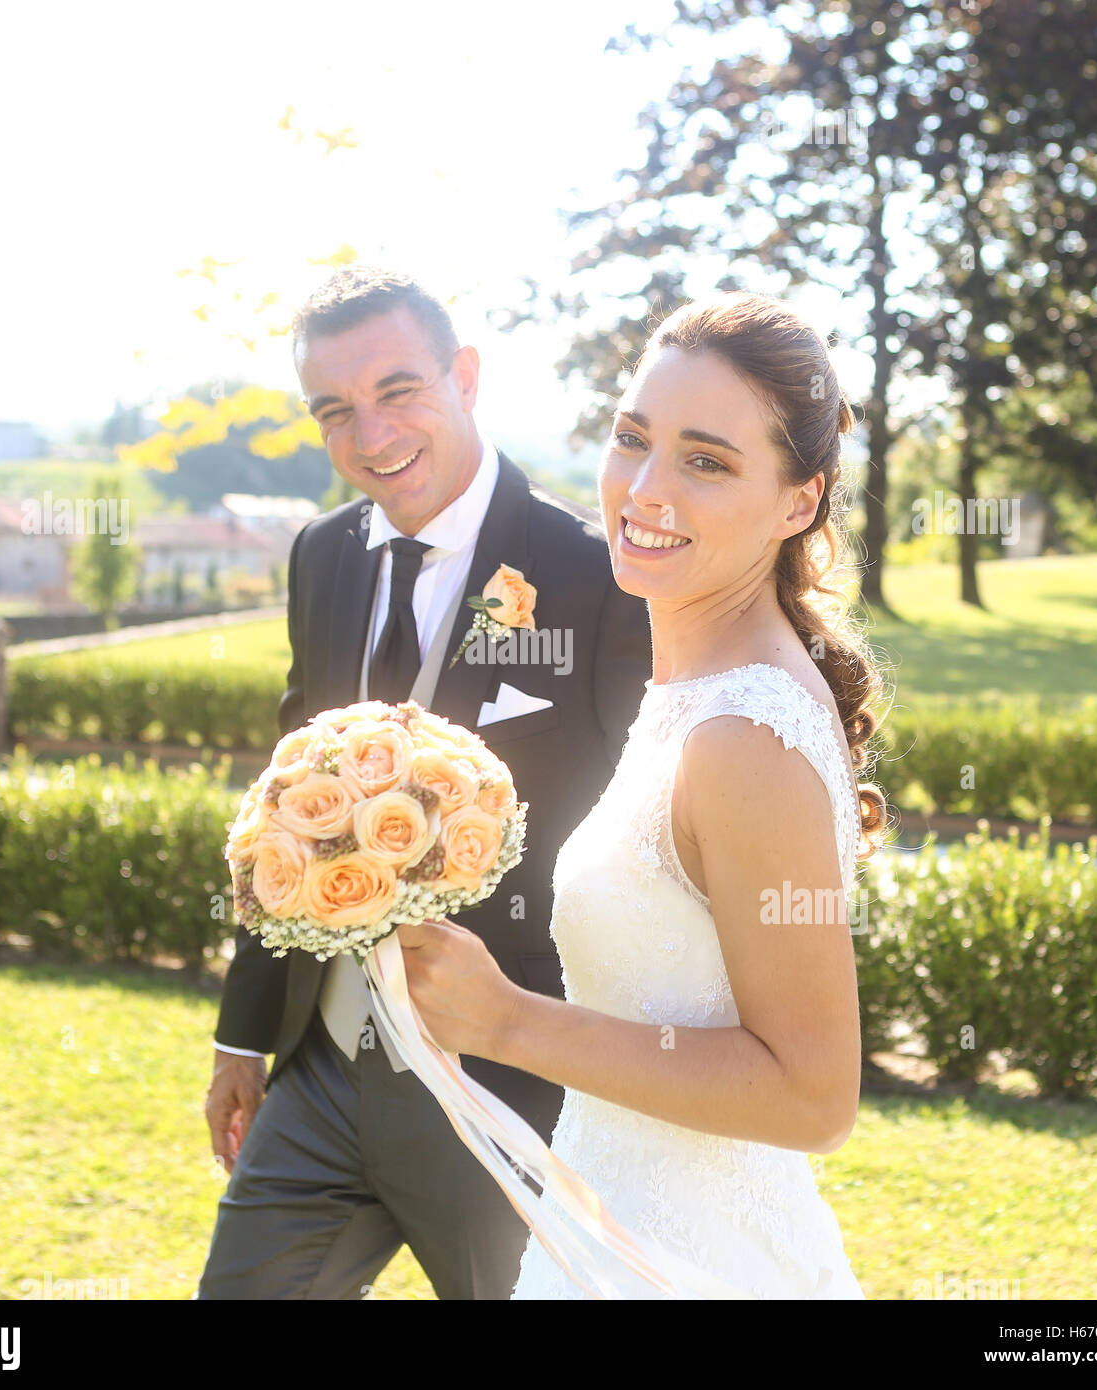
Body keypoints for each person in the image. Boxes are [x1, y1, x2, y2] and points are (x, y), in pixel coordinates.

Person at [398, 290, 888, 1299]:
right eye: (633, 439)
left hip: (700, 1266)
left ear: (799, 502)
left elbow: (813, 1095)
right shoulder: (693, 685)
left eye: (706, 460)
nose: (645, 488)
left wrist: (505, 1022)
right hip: (609, 1229)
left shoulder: (744, 736)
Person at [197, 266, 652, 1300]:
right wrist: (245, 1027)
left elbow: (648, 833)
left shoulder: (597, 570)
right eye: (334, 411)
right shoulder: (321, 556)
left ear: (466, 377)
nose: (368, 435)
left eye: (397, 390)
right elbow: (289, 812)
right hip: (322, 1065)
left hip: (508, 1082)